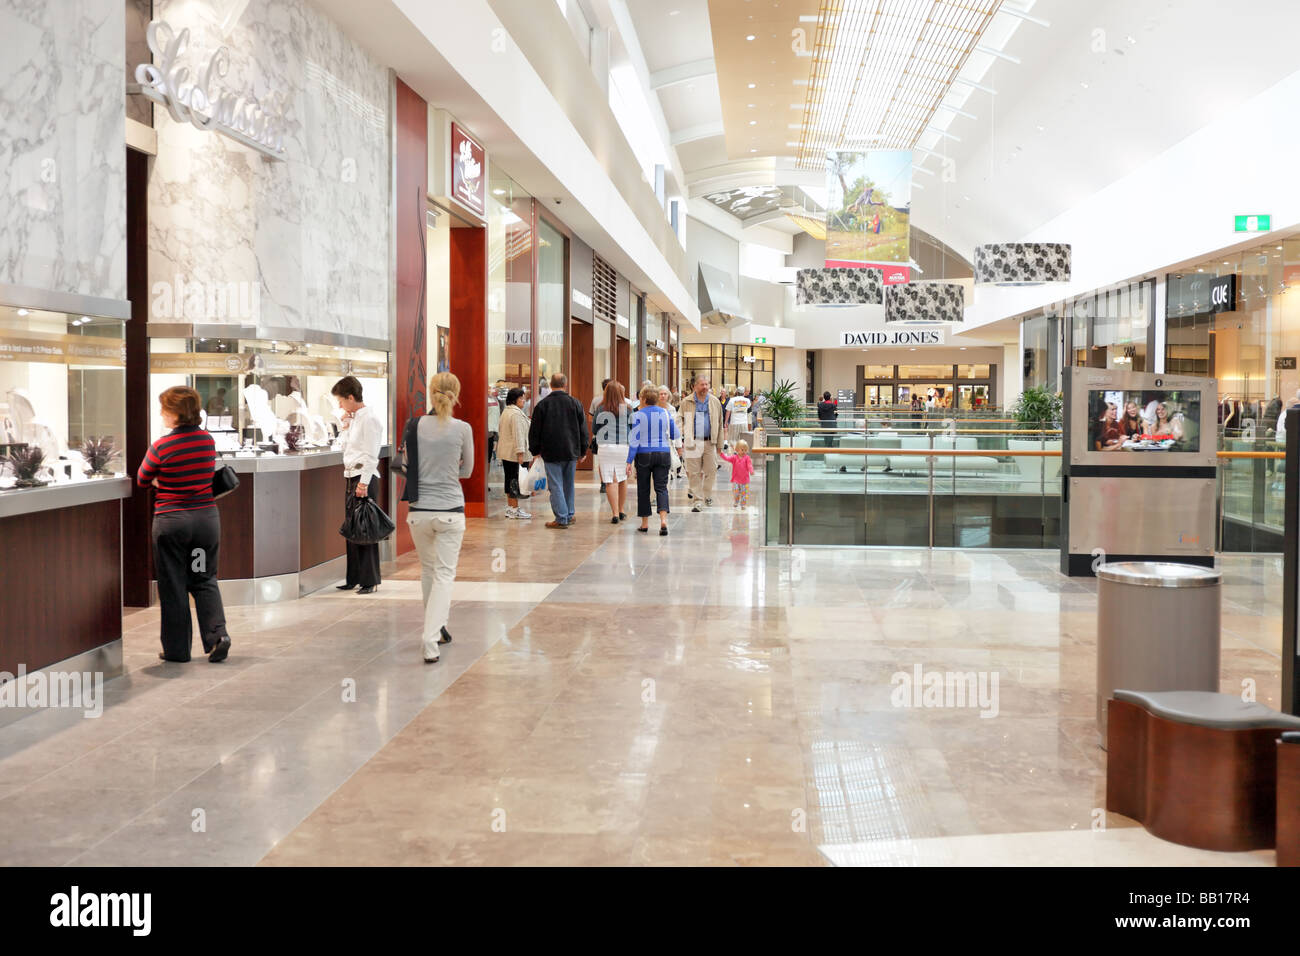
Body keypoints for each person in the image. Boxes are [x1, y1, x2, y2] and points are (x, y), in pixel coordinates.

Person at [137, 386, 231, 663]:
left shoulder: (162, 446)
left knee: (174, 584)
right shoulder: (207, 440)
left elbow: (143, 479)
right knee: (203, 578)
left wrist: (160, 481)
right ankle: (218, 636)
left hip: (172, 524)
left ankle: (177, 650)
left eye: (164, 410)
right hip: (204, 522)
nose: (162, 415)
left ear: (174, 413)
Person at [401, 371, 474, 663]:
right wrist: (447, 472)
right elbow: (467, 471)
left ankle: (438, 629)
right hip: (450, 512)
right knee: (444, 574)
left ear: (430, 392)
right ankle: (430, 639)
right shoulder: (462, 428)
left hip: (418, 512)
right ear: (456, 394)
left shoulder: (413, 425)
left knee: (429, 572)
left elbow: (406, 466)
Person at [333, 375, 384, 594]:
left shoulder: (369, 419)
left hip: (364, 478)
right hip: (350, 477)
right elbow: (343, 447)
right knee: (353, 530)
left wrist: (363, 483)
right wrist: (344, 426)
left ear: (351, 397)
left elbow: (372, 454)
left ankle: (369, 580)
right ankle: (353, 576)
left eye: (341, 400)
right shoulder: (354, 419)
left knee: (365, 530)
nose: (340, 405)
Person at [528, 372, 588, 529]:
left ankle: (561, 518)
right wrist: (583, 450)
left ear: (550, 385)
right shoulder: (575, 403)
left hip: (550, 451)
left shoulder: (542, 405)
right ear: (565, 384)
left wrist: (535, 450)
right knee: (568, 484)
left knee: (555, 484)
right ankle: (569, 513)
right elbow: (583, 429)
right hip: (571, 450)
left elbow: (535, 430)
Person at [627, 385, 679, 535]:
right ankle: (663, 521)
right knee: (661, 488)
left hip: (643, 454)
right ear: (657, 399)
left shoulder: (637, 415)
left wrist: (629, 461)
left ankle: (644, 524)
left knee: (643, 489)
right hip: (663, 453)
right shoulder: (665, 412)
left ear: (643, 399)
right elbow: (675, 434)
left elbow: (634, 441)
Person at [679, 374, 724, 511]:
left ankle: (707, 494)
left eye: (707, 384)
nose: (705, 387)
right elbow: (679, 419)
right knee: (694, 472)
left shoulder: (715, 401)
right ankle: (698, 500)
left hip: (710, 442)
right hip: (693, 443)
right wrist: (684, 435)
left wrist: (720, 445)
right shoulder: (686, 402)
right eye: (702, 384)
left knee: (711, 471)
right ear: (694, 386)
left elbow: (720, 423)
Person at [593, 381, 632, 523]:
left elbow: (594, 429)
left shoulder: (600, 408)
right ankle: (621, 510)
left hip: (605, 447)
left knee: (610, 480)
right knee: (622, 478)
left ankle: (614, 513)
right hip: (623, 446)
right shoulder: (627, 408)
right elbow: (632, 428)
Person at [497, 387, 532, 519]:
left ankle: (512, 508)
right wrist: (520, 454)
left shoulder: (507, 412)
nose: (523, 400)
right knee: (514, 482)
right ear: (515, 399)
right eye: (521, 398)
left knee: (510, 480)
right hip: (514, 454)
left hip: (507, 453)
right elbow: (518, 435)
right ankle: (513, 509)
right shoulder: (516, 414)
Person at [718, 438, 754, 510]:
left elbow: (749, 465)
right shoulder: (734, 458)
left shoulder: (747, 458)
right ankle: (736, 501)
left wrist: (751, 470)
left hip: (744, 480)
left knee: (744, 493)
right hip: (736, 479)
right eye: (742, 450)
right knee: (736, 492)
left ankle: (743, 504)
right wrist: (721, 454)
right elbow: (727, 458)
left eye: (745, 450)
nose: (744, 451)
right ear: (737, 450)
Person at [591, 378, 611, 493]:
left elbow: (591, 417)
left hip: (601, 436)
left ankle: (604, 483)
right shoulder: (623, 401)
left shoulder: (597, 401)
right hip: (618, 439)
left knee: (602, 461)